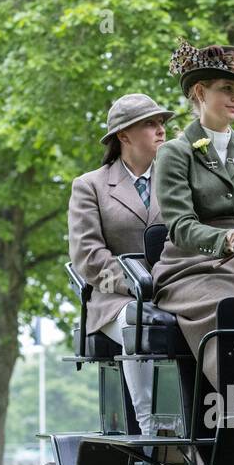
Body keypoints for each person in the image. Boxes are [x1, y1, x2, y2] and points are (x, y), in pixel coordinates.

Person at [152, 40, 234, 389]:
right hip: (193, 267)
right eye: (227, 88)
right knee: (231, 310)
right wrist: (228, 239)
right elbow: (180, 226)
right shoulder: (174, 153)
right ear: (200, 92)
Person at [68, 93, 176, 434]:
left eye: (162, 123)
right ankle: (150, 427)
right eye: (150, 124)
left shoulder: (178, 182)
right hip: (114, 300)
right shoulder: (90, 186)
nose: (161, 130)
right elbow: (87, 256)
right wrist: (139, 283)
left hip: (174, 290)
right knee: (137, 321)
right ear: (124, 136)